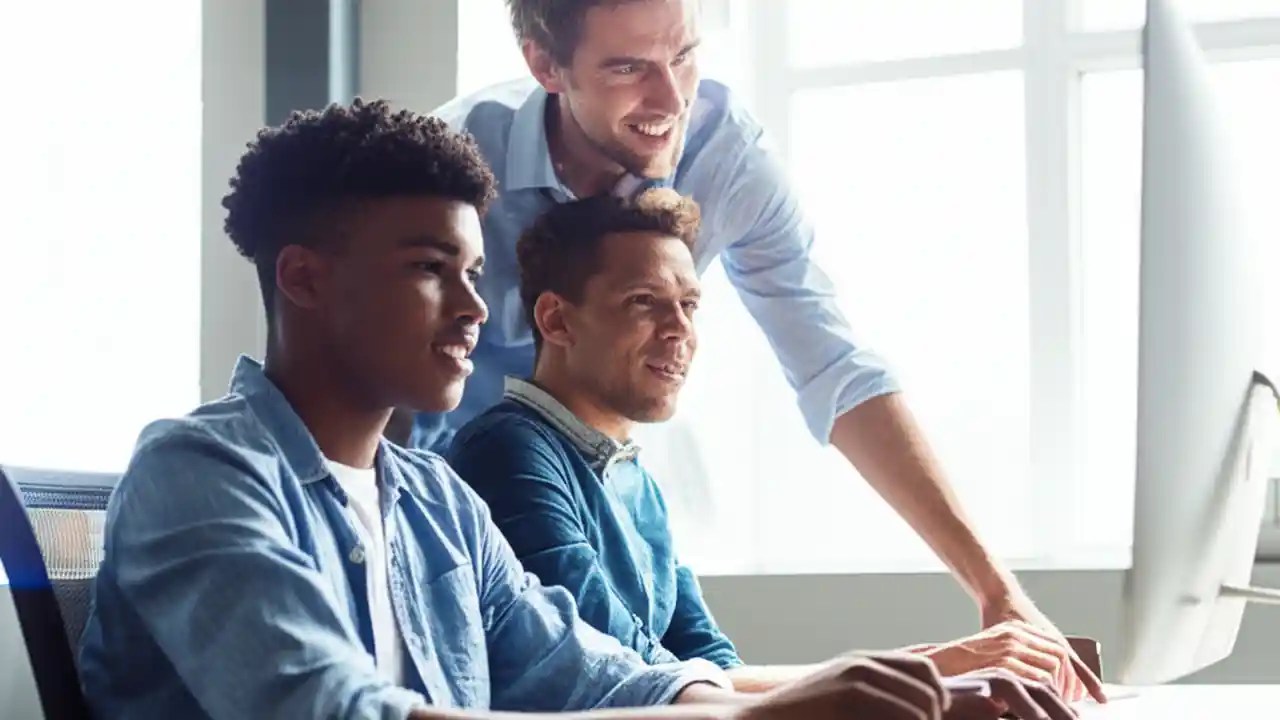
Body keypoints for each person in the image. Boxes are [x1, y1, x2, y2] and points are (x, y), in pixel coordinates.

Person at [75, 99, 1066, 720]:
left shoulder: (433, 502)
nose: (473, 310)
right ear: (303, 278)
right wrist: (756, 718)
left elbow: (602, 676)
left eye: (472, 272)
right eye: (430, 272)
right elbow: (339, 714)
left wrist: (903, 688)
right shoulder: (199, 474)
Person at [423, 0, 1105, 704]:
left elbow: (834, 367)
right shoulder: (450, 167)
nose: (670, 98)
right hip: (461, 506)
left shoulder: (725, 158)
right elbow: (630, 676)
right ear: (544, 64)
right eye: (629, 67)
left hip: (590, 464)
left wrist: (995, 601)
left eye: (683, 56)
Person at [447, 190, 1087, 699]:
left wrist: (929, 678)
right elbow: (635, 676)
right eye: (645, 302)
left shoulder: (632, 475)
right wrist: (925, 667)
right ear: (557, 319)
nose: (680, 332)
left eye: (690, 306)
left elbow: (710, 664)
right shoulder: (508, 452)